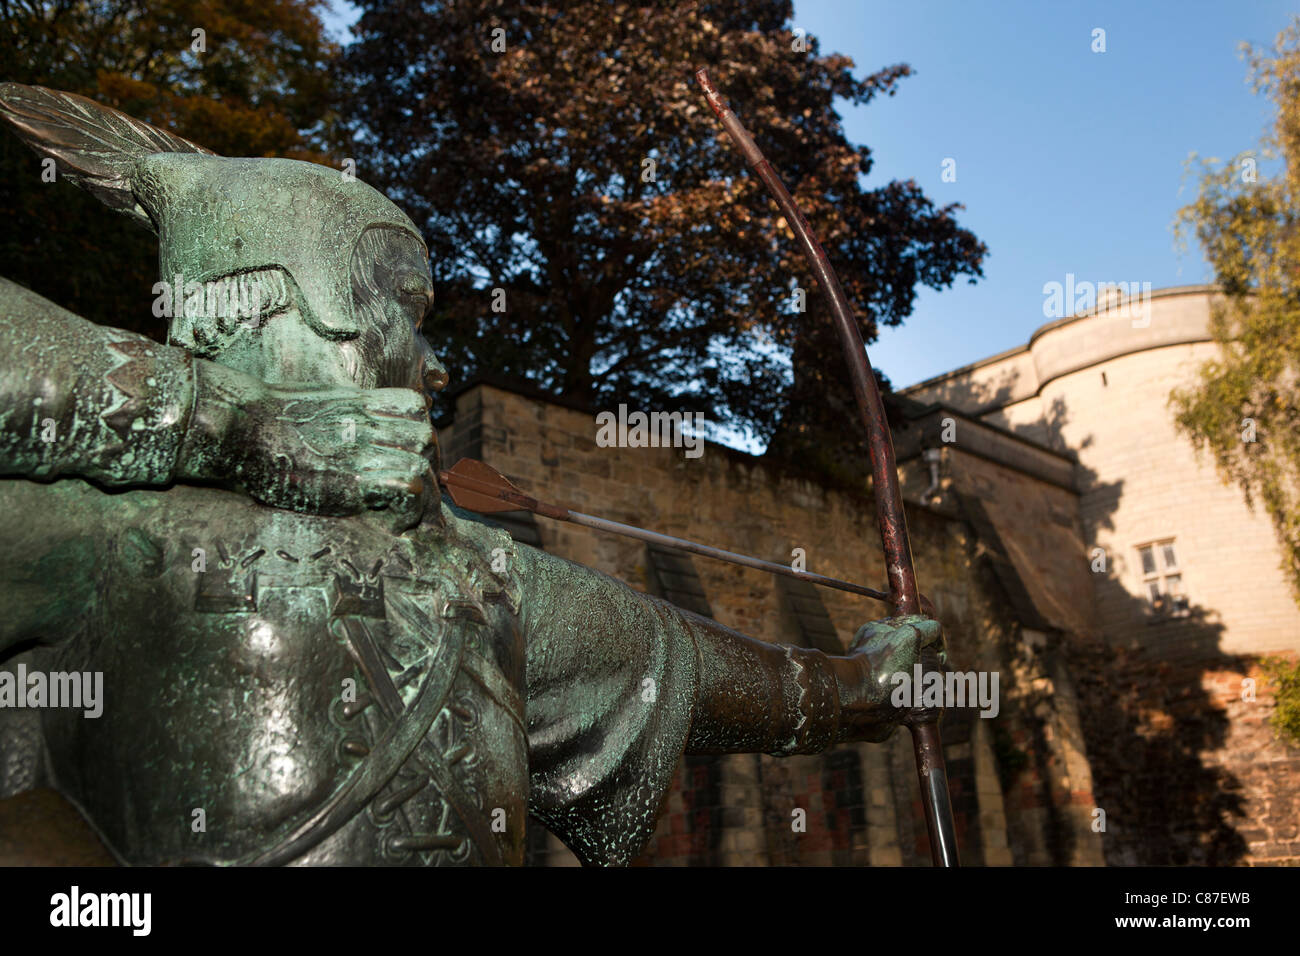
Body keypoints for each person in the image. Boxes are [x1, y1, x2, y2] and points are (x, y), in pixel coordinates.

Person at [0, 83, 943, 866]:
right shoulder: (102, 529)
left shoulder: (479, 574)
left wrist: (863, 685)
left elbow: (682, 665)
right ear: (279, 308)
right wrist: (237, 426)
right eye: (406, 314)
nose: (438, 363)